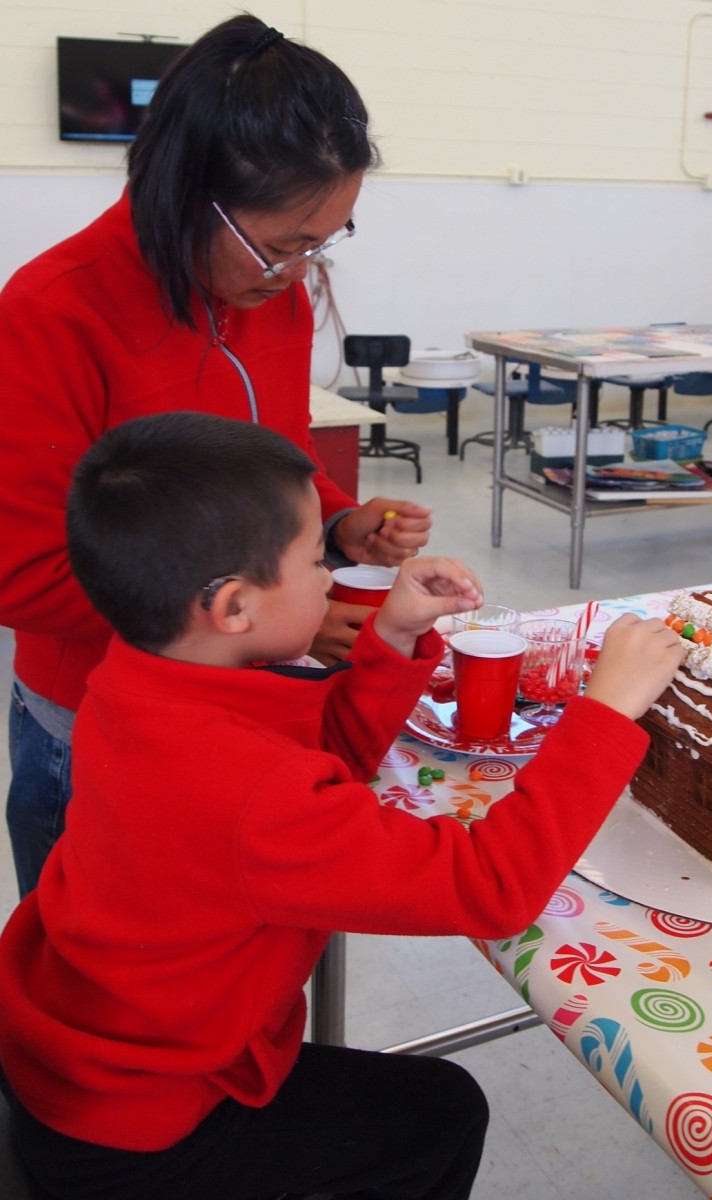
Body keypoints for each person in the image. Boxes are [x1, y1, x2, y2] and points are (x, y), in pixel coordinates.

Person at [0, 411, 685, 1200]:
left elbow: (314, 764)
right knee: (442, 1111)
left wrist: (390, 637)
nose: (332, 577)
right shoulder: (236, 784)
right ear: (231, 607)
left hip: (88, 1057)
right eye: (311, 560)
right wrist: (604, 716)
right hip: (140, 1133)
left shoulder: (137, 681)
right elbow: (489, 887)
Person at [0, 14, 431, 898]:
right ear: (190, 194)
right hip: (100, 723)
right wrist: (279, 618)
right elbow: (23, 567)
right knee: (104, 995)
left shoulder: (274, 297)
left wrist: (341, 522)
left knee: (228, 966)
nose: (300, 269)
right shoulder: (53, 312)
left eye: (322, 243)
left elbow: (279, 458)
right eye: (281, 245)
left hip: (245, 700)